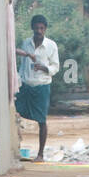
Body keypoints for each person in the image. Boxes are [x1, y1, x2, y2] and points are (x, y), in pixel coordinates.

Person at [15, 15, 60, 162]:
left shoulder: (51, 45)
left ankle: (40, 154)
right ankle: (16, 150)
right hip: (25, 85)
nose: (39, 31)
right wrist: (19, 80)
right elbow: (22, 63)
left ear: (45, 29)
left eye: (41, 28)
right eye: (36, 27)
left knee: (41, 120)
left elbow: (56, 66)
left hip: (41, 86)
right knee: (16, 115)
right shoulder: (26, 43)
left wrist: (45, 68)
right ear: (32, 28)